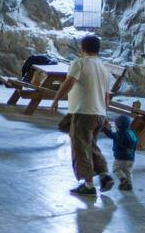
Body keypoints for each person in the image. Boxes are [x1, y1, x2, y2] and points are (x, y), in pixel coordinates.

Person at [58, 34, 114, 196]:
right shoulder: (105, 68)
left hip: (83, 112)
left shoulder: (79, 63)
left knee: (80, 147)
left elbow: (68, 83)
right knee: (91, 145)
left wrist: (55, 100)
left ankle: (88, 186)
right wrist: (105, 116)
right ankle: (104, 175)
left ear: (82, 49)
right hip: (99, 114)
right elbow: (106, 97)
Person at [102, 114, 138, 192]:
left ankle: (123, 179)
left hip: (120, 157)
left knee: (116, 169)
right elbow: (135, 143)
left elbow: (110, 135)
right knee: (128, 171)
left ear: (118, 125)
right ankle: (129, 184)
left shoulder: (119, 134)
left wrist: (105, 129)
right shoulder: (131, 132)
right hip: (131, 157)